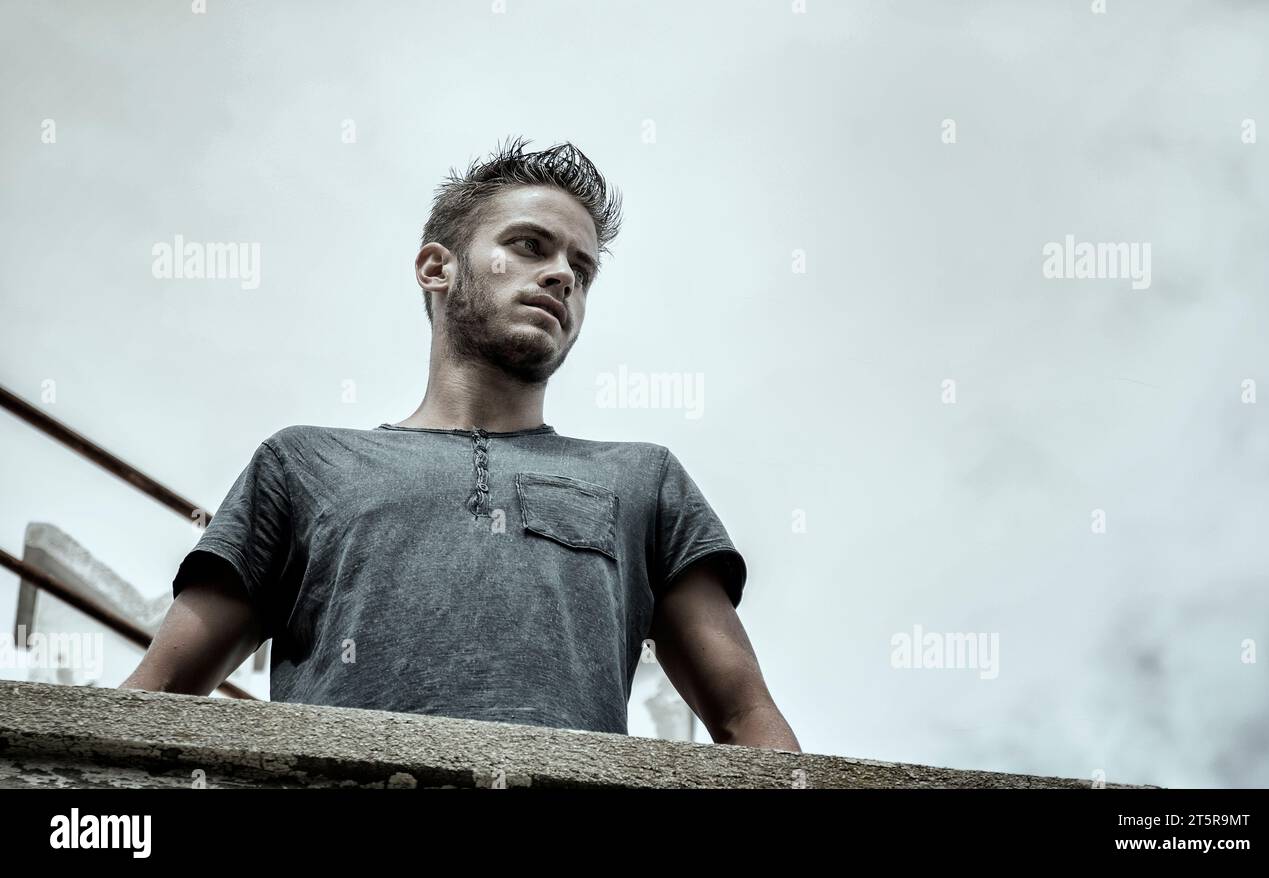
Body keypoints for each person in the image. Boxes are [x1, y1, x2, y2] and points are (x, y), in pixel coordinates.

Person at [121, 137, 800, 752]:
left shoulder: (644, 480)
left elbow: (746, 719)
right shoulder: (302, 464)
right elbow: (154, 700)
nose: (562, 275)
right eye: (531, 245)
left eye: (582, 269)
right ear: (435, 269)